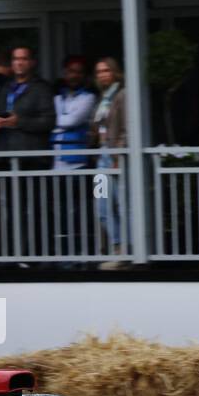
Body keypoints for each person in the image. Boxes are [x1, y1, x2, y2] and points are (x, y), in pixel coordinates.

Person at [89, 57, 127, 269]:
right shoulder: (101, 98)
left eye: (106, 70)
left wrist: (118, 154)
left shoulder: (121, 95)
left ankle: (124, 251)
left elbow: (126, 127)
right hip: (101, 158)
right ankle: (116, 247)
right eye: (98, 71)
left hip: (114, 157)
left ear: (114, 72)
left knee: (120, 205)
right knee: (102, 206)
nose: (102, 74)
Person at [0, 46, 55, 157]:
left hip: (32, 157)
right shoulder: (6, 87)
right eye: (16, 59)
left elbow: (49, 122)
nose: (19, 63)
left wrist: (19, 122)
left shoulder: (42, 88)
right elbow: (0, 113)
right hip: (6, 153)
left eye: (24, 59)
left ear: (32, 62)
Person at [52, 56, 97, 169]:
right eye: (71, 71)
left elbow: (71, 121)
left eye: (79, 72)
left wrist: (53, 122)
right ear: (65, 73)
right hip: (55, 161)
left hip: (77, 163)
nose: (74, 76)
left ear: (84, 75)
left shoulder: (89, 97)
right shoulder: (58, 97)